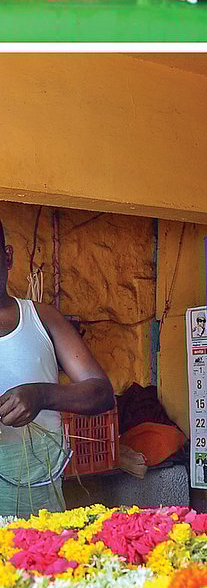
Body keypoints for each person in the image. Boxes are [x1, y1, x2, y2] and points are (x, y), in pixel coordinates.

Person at [0, 216, 115, 515]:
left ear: (8, 256)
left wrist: (42, 396)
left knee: (40, 558)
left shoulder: (43, 319)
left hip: (40, 496)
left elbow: (101, 393)